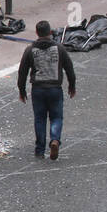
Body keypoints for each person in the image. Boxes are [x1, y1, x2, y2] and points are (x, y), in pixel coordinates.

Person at [17, 21, 76, 160]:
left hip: (38, 89)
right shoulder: (59, 48)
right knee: (56, 117)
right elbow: (69, 68)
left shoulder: (30, 49)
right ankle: (54, 139)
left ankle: (39, 150)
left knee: (40, 119)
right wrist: (72, 86)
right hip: (55, 88)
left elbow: (22, 72)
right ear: (50, 33)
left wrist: (22, 90)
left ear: (37, 33)